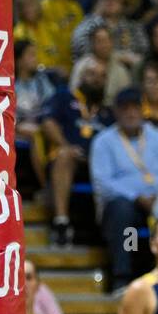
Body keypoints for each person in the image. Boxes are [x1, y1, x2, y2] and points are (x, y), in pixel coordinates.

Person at [90, 88, 158, 293]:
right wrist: (135, 197)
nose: (130, 113)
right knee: (125, 217)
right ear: (117, 112)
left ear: (142, 110)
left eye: (135, 108)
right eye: (125, 109)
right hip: (124, 204)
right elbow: (102, 182)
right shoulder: (104, 141)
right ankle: (124, 276)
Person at [40, 59, 114, 246]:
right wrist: (66, 145)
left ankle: (111, 231)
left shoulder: (108, 111)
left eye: (102, 76)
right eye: (92, 74)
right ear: (81, 76)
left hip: (98, 163)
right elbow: (48, 123)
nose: (97, 79)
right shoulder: (64, 98)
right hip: (70, 158)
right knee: (64, 155)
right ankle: (62, 222)